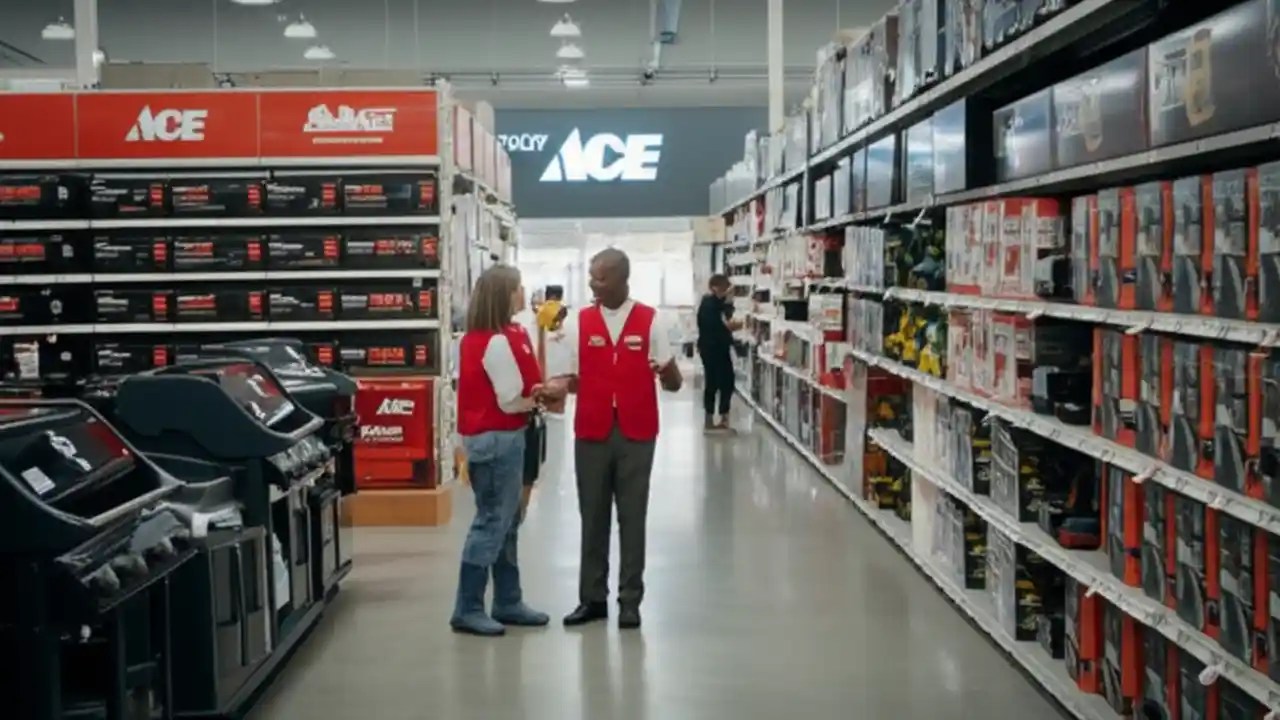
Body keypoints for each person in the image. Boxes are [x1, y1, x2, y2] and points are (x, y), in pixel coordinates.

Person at [545, 248, 682, 630]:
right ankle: (592, 599)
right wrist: (556, 386)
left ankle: (630, 601)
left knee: (632, 516)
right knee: (592, 515)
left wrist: (668, 371)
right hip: (592, 429)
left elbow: (672, 384)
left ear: (623, 279)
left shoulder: (651, 321)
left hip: (637, 431)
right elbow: (572, 380)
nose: (593, 283)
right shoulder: (578, 323)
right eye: (591, 276)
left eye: (601, 277)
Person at [451, 265, 565, 636]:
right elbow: (510, 398)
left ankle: (508, 600)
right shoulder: (495, 341)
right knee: (492, 522)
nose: (524, 294)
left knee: (506, 522)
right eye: (519, 288)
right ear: (505, 294)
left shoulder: (484, 336)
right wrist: (540, 397)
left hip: (495, 437)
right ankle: (467, 607)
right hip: (499, 437)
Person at [696, 274, 742, 433]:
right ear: (715, 287)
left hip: (715, 348)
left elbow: (726, 315)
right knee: (716, 382)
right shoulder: (710, 303)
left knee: (723, 382)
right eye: (724, 288)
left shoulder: (713, 303)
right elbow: (722, 324)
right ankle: (713, 420)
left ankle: (719, 419)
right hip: (712, 349)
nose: (726, 292)